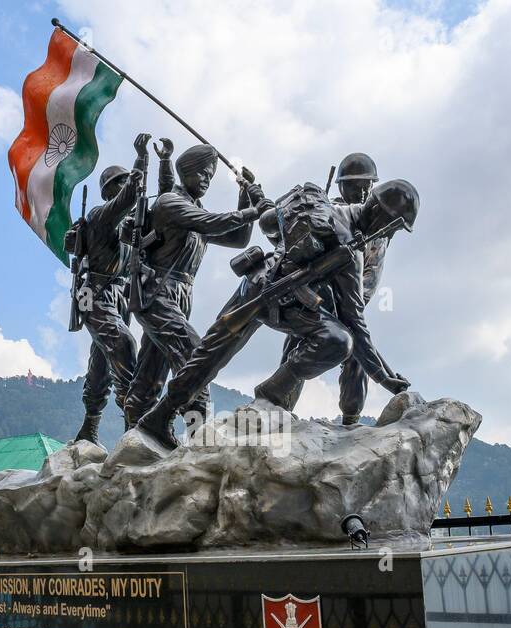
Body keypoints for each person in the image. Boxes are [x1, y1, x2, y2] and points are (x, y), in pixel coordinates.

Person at [133, 179, 418, 451]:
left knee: (210, 355)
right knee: (338, 340)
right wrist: (384, 378)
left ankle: (161, 415)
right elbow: (355, 323)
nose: (390, 234)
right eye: (394, 227)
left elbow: (270, 224)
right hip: (281, 299)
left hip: (258, 281)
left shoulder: (320, 210)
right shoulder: (349, 249)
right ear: (381, 213)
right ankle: (269, 395)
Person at [122, 144, 270, 427]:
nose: (206, 180)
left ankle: (136, 430)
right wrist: (253, 211)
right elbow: (211, 223)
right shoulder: (169, 203)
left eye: (211, 176)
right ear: (186, 172)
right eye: (202, 173)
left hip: (179, 296)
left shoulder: (194, 208)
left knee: (152, 369)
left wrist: (244, 197)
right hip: (157, 292)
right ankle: (199, 431)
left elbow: (238, 239)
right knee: (195, 357)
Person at [279, 151, 392, 424]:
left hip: (348, 303)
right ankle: (278, 406)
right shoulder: (322, 212)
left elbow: (370, 277)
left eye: (368, 185)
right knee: (295, 348)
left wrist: (350, 306)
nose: (363, 191)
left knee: (357, 355)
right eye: (357, 185)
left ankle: (351, 419)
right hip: (311, 300)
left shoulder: (375, 226)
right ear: (342, 185)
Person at [67, 133, 153, 445]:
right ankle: (134, 418)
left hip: (118, 296)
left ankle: (90, 425)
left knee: (103, 359)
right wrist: (141, 160)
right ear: (110, 192)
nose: (127, 187)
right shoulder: (101, 216)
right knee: (123, 344)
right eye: (120, 183)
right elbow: (130, 196)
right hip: (94, 293)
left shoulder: (131, 226)